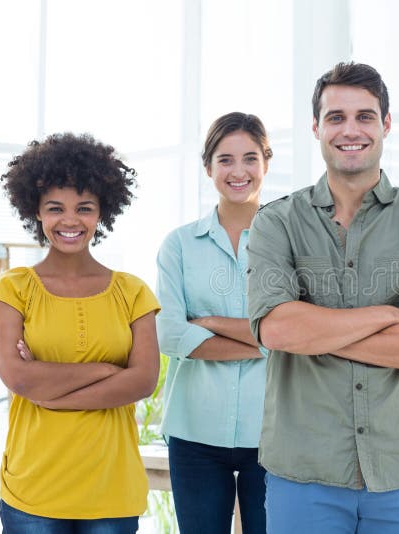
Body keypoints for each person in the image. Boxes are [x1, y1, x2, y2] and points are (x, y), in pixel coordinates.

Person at [246, 62, 399, 534]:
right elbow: (277, 329)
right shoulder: (276, 223)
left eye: (365, 116)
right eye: (336, 117)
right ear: (316, 127)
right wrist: (389, 315)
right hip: (303, 470)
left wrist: (316, 330)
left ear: (386, 124)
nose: (351, 130)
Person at [0, 133, 160, 533]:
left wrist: (53, 394)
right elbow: (19, 378)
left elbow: (144, 380)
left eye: (84, 208)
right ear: (36, 212)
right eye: (55, 208)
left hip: (111, 488)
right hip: (34, 488)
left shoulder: (132, 291)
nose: (70, 220)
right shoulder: (11, 290)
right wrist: (107, 370)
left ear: (102, 213)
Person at [155, 112, 270, 534]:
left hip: (273, 431)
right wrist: (267, 342)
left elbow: (305, 333)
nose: (238, 171)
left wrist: (208, 323)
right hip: (194, 429)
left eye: (249, 158)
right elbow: (170, 333)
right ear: (208, 167)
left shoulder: (293, 244)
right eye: (225, 160)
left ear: (265, 163)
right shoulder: (180, 244)